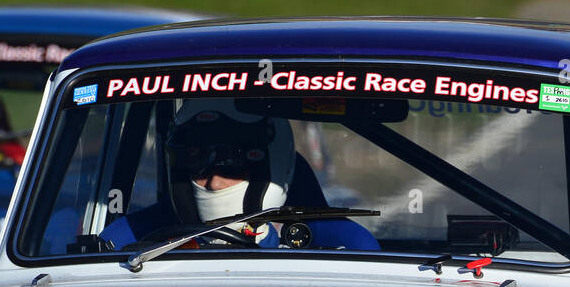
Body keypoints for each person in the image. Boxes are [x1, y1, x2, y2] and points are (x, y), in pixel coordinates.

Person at [100, 101, 378, 250]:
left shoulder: (343, 247)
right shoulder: (127, 245)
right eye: (197, 168)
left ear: (272, 171)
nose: (213, 182)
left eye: (231, 167)